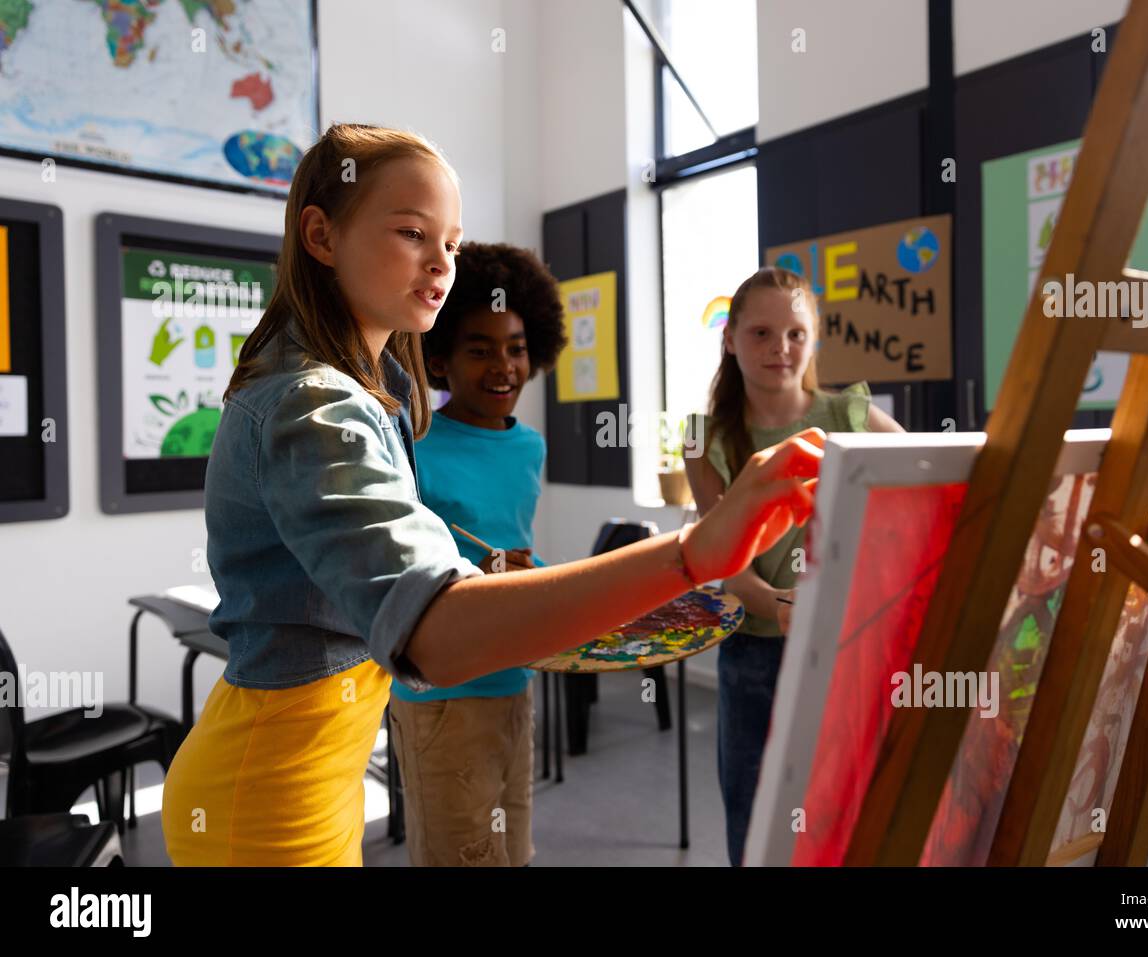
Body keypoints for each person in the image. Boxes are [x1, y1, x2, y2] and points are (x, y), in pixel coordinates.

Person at [160, 125, 824, 866]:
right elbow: (433, 635)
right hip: (269, 794)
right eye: (413, 233)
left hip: (316, 774)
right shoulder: (315, 406)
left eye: (451, 242)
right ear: (321, 234)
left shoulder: (367, 397)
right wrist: (692, 553)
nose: (441, 263)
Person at [685, 266, 903, 866]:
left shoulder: (852, 417)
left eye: (795, 334)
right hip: (753, 652)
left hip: (846, 647)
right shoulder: (706, 440)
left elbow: (927, 482)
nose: (779, 348)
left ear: (814, 339)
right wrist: (784, 606)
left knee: (846, 811)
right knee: (757, 819)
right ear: (730, 339)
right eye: (760, 333)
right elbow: (724, 564)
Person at [389, 241, 564, 867]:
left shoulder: (530, 447)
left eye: (515, 348)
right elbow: (400, 573)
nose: (503, 367)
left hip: (514, 679)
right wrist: (479, 574)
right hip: (441, 692)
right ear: (439, 359)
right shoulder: (414, 446)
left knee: (513, 851)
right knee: (460, 857)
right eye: (480, 349)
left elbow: (518, 552)